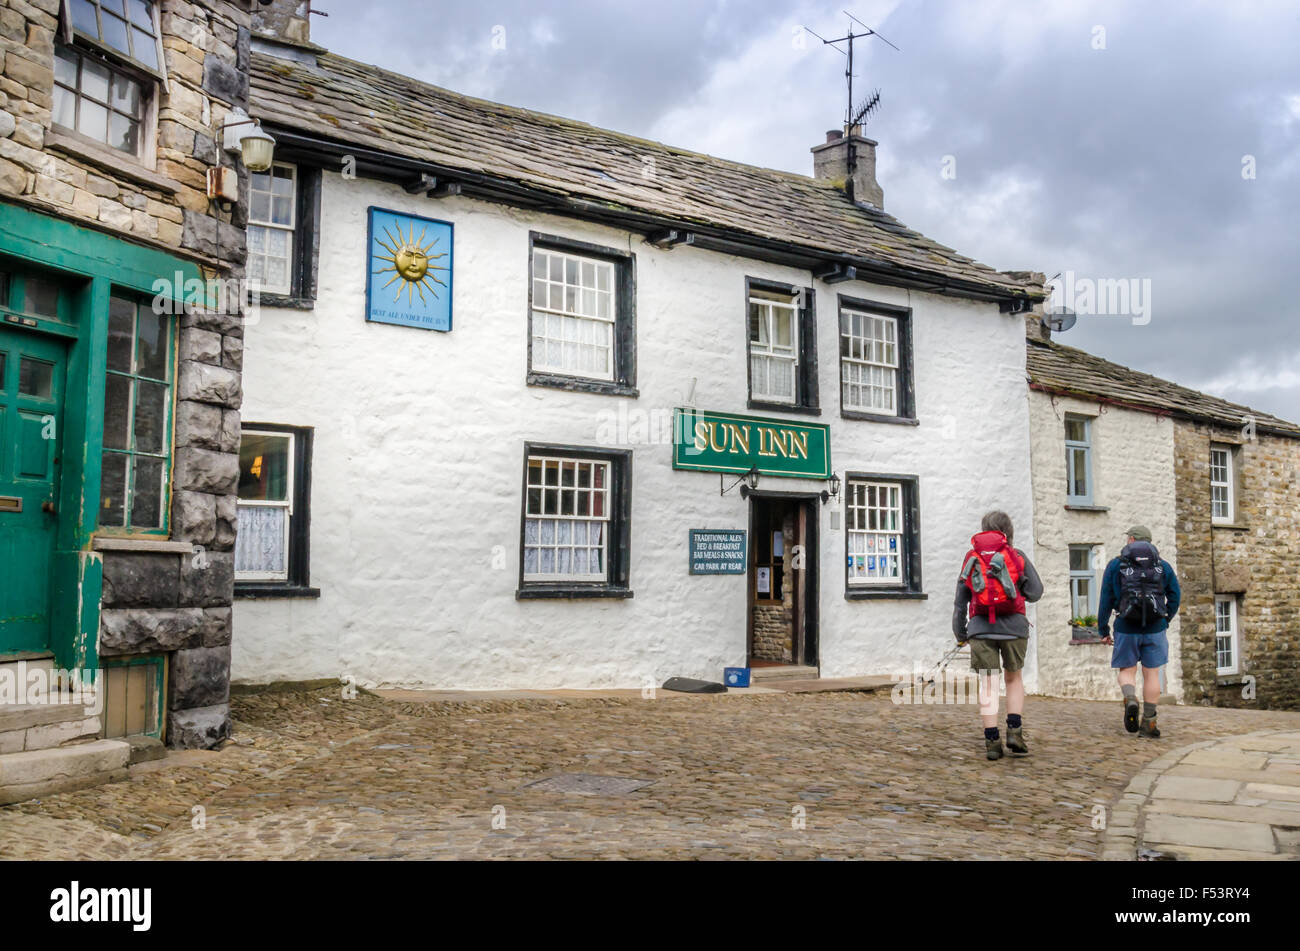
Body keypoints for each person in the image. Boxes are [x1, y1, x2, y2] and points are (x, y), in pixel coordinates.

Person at [953, 511, 1043, 760]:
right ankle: (1014, 731)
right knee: (1013, 679)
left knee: (988, 684)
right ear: (1008, 531)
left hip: (981, 629)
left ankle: (992, 741)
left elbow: (960, 602)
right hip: (1014, 628)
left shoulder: (971, 558)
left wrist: (961, 633)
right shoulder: (1017, 557)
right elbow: (1036, 593)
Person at [1098, 526, 1181, 738]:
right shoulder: (1163, 566)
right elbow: (1175, 596)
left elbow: (1106, 599)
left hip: (1126, 626)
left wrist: (1103, 628)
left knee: (1127, 671)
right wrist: (1165, 618)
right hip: (1155, 627)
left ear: (1131, 539)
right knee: (1152, 674)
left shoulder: (1116, 565)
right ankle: (1150, 722)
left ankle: (1131, 698)